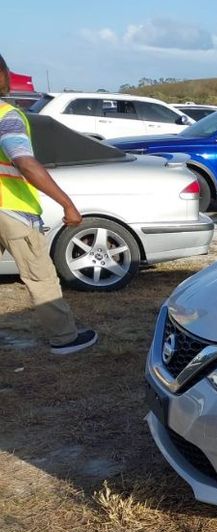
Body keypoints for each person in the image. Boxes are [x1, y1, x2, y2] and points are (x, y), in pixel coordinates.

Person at [0, 53, 97, 354]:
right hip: (11, 209)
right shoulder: (7, 115)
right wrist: (67, 203)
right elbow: (24, 163)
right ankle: (65, 338)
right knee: (40, 277)